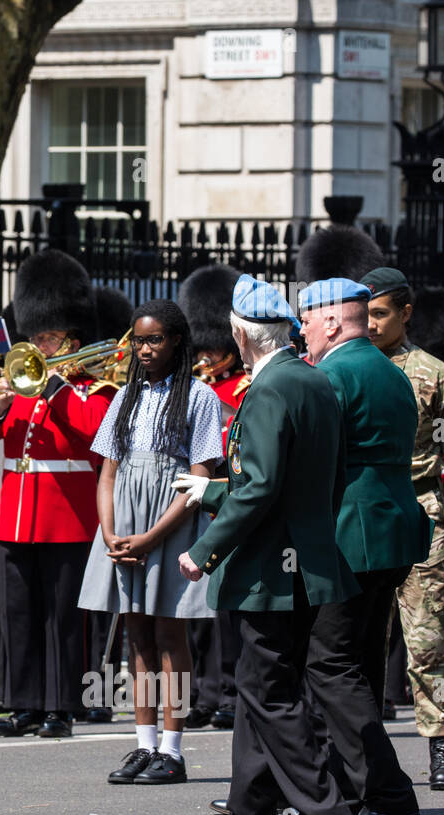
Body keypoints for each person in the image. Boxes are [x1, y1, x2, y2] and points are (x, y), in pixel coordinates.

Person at [179, 274, 359, 815]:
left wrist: (205, 550)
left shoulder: (270, 388)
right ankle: (250, 814)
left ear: (240, 332)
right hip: (308, 558)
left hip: (268, 570)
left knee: (266, 690)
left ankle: (323, 809)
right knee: (264, 690)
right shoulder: (312, 379)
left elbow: (258, 488)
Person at [296, 277, 429, 815]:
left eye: (306, 319)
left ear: (330, 322)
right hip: (394, 526)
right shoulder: (392, 369)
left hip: (352, 530)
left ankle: (388, 792)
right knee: (361, 664)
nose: (301, 330)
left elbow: (311, 460)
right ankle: (353, 788)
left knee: (328, 663)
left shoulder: (332, 374)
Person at [0, 250, 116, 738]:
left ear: (71, 340)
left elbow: (96, 438)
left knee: (62, 617)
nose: (37, 345)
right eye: (35, 336)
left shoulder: (93, 391)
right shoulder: (16, 389)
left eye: (47, 337)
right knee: (19, 615)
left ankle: (60, 707)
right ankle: (24, 703)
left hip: (66, 517)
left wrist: (55, 389)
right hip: (16, 517)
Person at [78, 299, 223, 784]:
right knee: (134, 636)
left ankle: (173, 749)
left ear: (176, 340)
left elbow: (201, 476)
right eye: (138, 340)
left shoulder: (199, 396)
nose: (144, 348)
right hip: (124, 523)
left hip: (170, 519)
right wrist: (110, 532)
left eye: (155, 338)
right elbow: (107, 474)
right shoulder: (125, 398)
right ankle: (143, 745)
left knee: (169, 635)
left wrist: (152, 537)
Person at [362, 267, 444, 790]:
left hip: (421, 514)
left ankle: (442, 746)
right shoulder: (344, 369)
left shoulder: (438, 376)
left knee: (429, 638)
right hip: (363, 518)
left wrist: (440, 514)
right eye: (364, 313)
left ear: (405, 314)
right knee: (360, 640)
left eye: (380, 313)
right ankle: (362, 748)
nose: (370, 323)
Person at [178, 263, 246, 731]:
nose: (207, 355)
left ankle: (229, 690)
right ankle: (201, 692)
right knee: (195, 608)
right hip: (196, 498)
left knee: (226, 609)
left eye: (214, 347)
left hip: (229, 494)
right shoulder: (193, 387)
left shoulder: (243, 387)